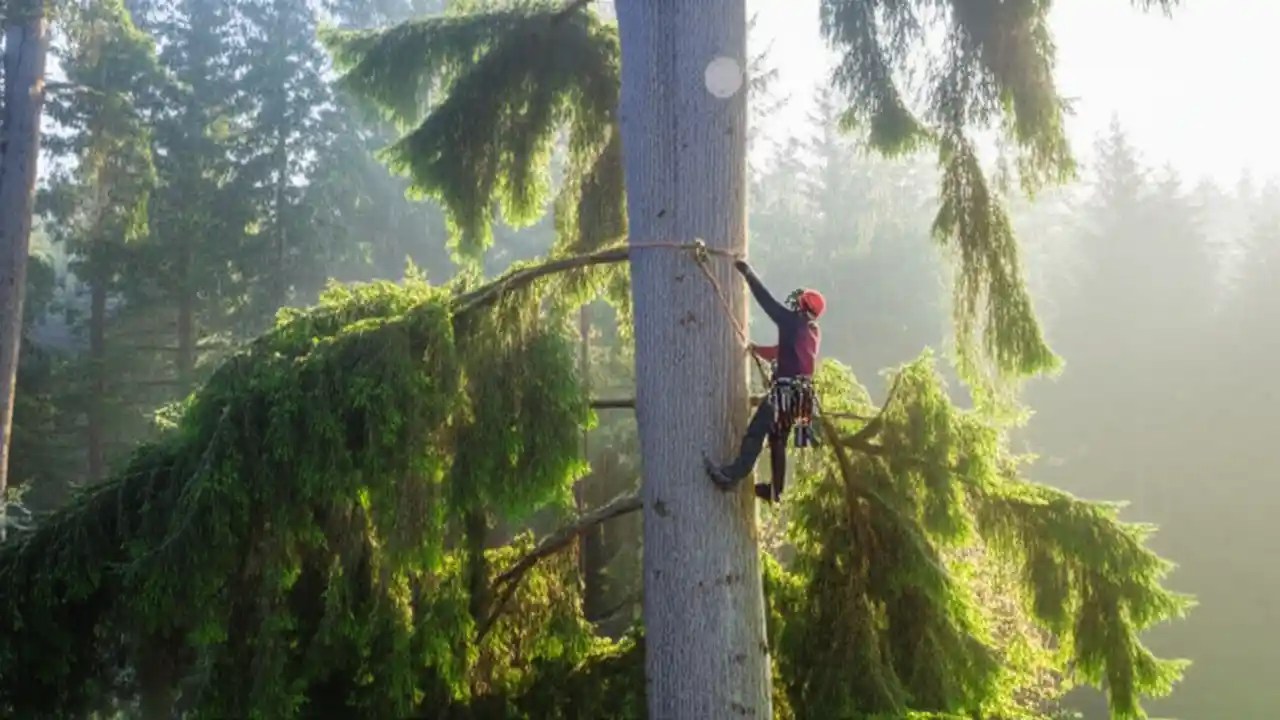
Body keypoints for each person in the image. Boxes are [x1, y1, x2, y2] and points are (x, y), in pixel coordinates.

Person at [705, 258, 825, 502]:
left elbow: (766, 301)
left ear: (802, 307)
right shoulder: (812, 331)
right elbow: (783, 351)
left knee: (757, 432)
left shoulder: (791, 322)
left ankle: (732, 476)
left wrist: (748, 274)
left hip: (784, 393)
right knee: (777, 439)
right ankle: (776, 490)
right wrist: (757, 350)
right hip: (802, 397)